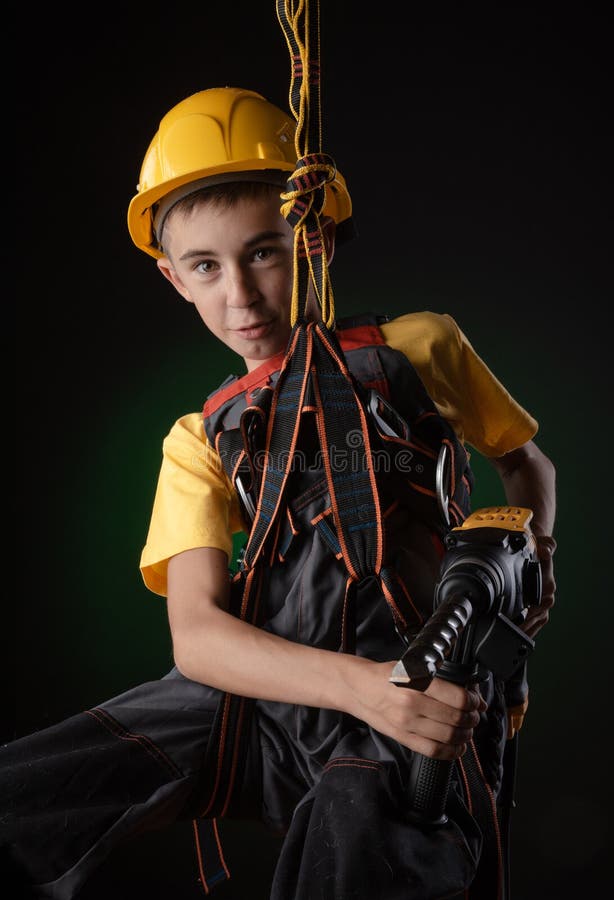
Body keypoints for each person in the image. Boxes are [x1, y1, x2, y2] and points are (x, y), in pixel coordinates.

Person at [1, 86, 556, 900]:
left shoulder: (420, 348)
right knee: (26, 794)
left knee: (352, 837)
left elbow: (527, 466)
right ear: (173, 279)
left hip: (408, 679)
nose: (242, 295)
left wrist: (532, 562)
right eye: (205, 266)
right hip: (256, 699)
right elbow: (196, 638)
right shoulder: (201, 438)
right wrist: (356, 689)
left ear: (316, 237)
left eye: (264, 251)